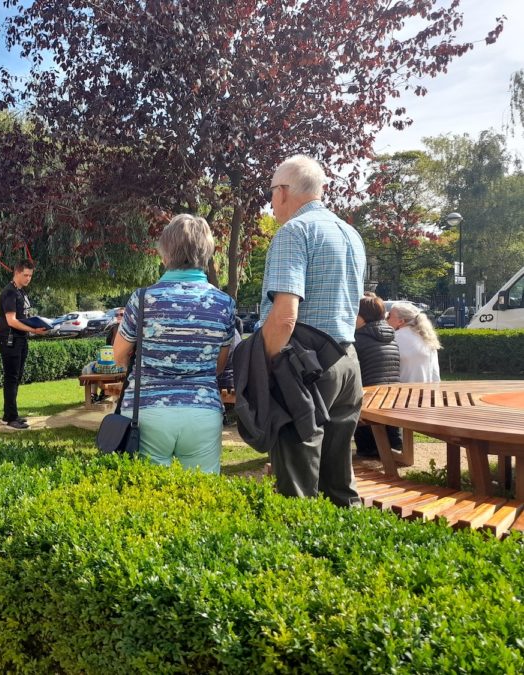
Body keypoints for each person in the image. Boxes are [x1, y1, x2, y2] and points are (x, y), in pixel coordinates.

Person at [256, 154, 366, 507]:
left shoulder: (294, 232)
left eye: (272, 193)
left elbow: (285, 316)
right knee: (338, 483)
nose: (271, 203)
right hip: (348, 362)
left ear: (284, 192)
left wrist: (268, 366)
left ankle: (297, 557)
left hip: (306, 365)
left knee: (297, 487)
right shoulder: (351, 234)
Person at [113, 213, 236, 474]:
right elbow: (219, 365)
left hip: (146, 413)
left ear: (165, 253)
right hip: (202, 412)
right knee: (202, 498)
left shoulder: (143, 299)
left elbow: (119, 355)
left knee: (148, 499)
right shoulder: (223, 303)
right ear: (207, 252)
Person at [0, 260, 46, 429]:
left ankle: (9, 414)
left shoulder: (21, 292)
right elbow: (11, 320)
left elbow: (22, 317)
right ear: (16, 273)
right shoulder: (9, 293)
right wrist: (34, 330)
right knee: (11, 378)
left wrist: (35, 326)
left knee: (16, 377)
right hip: (10, 340)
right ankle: (11, 419)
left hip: (20, 339)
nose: (28, 279)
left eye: (30, 276)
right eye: (25, 275)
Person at [353, 294, 402, 457]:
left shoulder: (358, 339)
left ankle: (368, 449)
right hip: (391, 397)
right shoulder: (390, 337)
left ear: (363, 317)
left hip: (368, 398)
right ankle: (396, 445)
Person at [386, 302, 441, 382]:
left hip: (402, 392)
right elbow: (435, 374)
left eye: (389, 316)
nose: (386, 319)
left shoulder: (393, 338)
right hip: (427, 391)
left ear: (400, 321)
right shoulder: (427, 337)